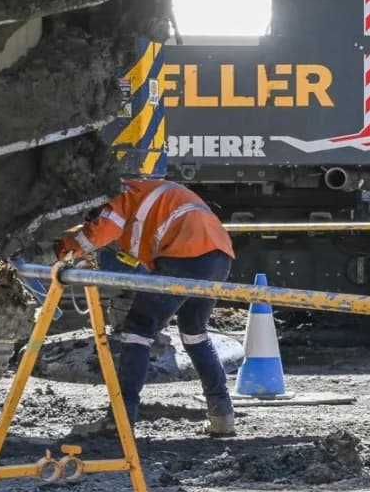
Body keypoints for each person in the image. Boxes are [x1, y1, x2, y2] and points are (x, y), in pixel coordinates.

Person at [58, 178, 238, 438]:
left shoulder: (121, 195)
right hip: (218, 256)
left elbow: (100, 232)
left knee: (137, 330)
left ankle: (119, 421)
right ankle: (222, 416)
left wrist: (63, 249)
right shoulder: (150, 193)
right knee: (195, 333)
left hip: (183, 255)